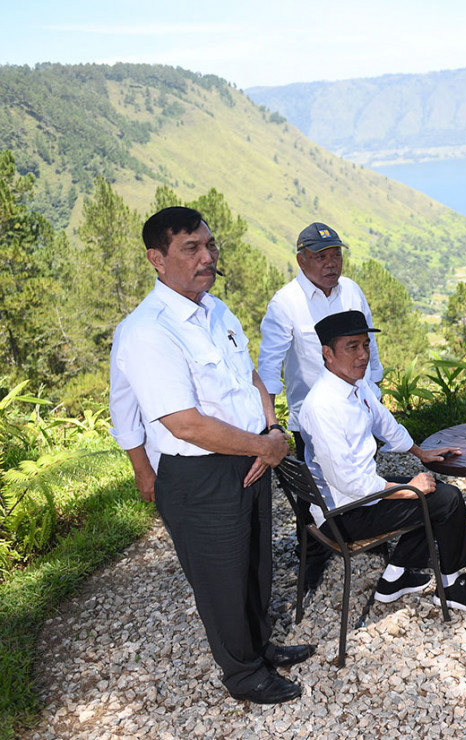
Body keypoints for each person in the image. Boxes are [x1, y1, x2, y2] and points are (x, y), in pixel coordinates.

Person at [109, 207, 313, 705]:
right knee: (220, 579)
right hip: (200, 472)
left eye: (210, 245)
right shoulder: (147, 330)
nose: (208, 257)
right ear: (157, 259)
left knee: (255, 566)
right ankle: (244, 675)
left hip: (251, 454)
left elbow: (250, 379)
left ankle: (260, 645)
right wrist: (266, 445)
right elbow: (185, 424)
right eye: (191, 249)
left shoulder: (217, 310)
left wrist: (270, 426)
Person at [298, 310, 466, 612]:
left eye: (365, 345)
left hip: (354, 499)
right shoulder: (323, 406)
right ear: (327, 353)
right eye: (352, 347)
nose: (363, 355)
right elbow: (348, 482)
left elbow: (384, 422)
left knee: (430, 489)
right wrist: (407, 489)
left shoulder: (354, 383)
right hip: (341, 514)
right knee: (446, 499)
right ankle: (451, 584)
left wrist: (420, 453)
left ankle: (394, 578)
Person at [258, 221, 385, 586]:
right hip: (312, 417)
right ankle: (312, 555)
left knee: (364, 474)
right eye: (320, 257)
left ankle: (367, 533)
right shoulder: (286, 304)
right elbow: (268, 371)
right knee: (315, 489)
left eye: (336, 255)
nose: (331, 264)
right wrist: (271, 425)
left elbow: (369, 347)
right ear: (301, 260)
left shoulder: (352, 291)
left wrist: (375, 390)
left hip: (359, 406)